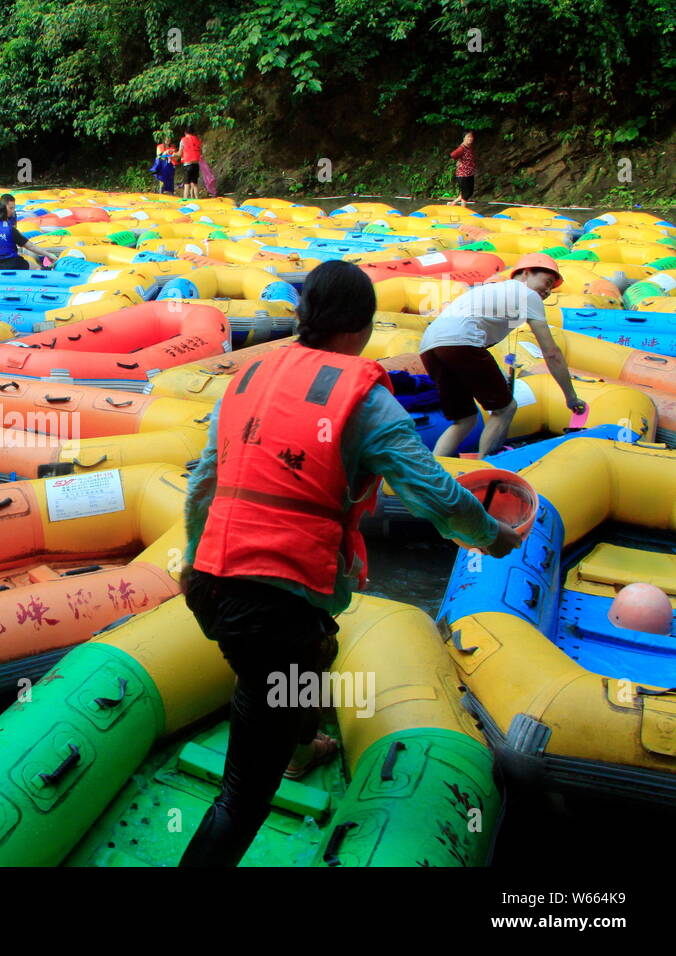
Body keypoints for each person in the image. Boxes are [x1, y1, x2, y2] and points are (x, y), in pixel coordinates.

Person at [177, 260, 523, 868]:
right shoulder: (363, 398)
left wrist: (191, 564)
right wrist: (494, 537)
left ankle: (297, 741)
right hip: (272, 599)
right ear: (362, 328)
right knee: (244, 792)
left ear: (303, 316)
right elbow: (434, 493)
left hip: (213, 581)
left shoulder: (250, 374)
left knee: (311, 652)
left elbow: (204, 480)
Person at [419, 253, 584, 459]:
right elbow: (551, 353)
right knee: (505, 409)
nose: (548, 291)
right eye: (547, 282)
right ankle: (484, 466)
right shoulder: (528, 296)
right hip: (462, 342)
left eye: (552, 288)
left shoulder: (489, 289)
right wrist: (570, 397)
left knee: (465, 418)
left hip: (429, 346)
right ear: (526, 273)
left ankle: (435, 468)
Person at [447, 131, 476, 207]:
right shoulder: (461, 148)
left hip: (470, 173)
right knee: (465, 193)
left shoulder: (469, 147)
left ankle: (452, 203)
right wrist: (459, 161)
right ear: (464, 138)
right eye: (468, 137)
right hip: (463, 174)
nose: (470, 138)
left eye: (471, 137)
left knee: (469, 192)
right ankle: (463, 209)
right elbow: (453, 155)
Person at [178, 128, 203, 200]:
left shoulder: (183, 140)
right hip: (196, 164)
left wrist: (173, 154)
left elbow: (179, 153)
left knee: (186, 183)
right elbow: (200, 152)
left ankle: (185, 199)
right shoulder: (197, 140)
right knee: (195, 183)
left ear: (185, 133)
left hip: (187, 164)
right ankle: (197, 198)